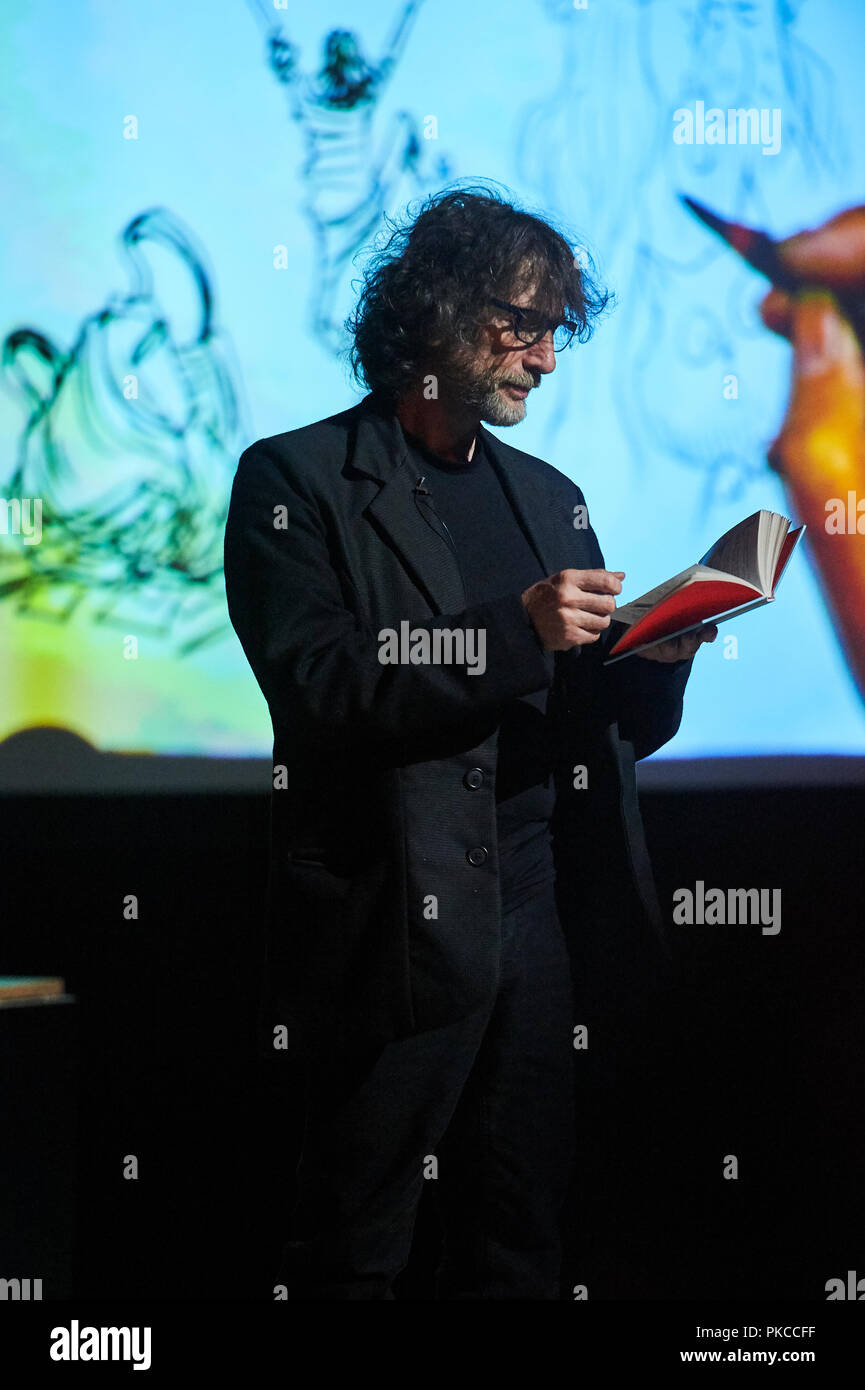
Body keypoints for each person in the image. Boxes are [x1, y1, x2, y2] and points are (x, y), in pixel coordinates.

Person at [223, 185, 715, 1300]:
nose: (545, 358)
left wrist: (657, 660)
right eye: (523, 325)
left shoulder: (548, 496)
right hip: (394, 918)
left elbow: (594, 728)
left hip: (536, 915)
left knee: (518, 1235)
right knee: (356, 1243)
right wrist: (514, 631)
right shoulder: (296, 480)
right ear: (438, 309)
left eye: (556, 331)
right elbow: (324, 685)